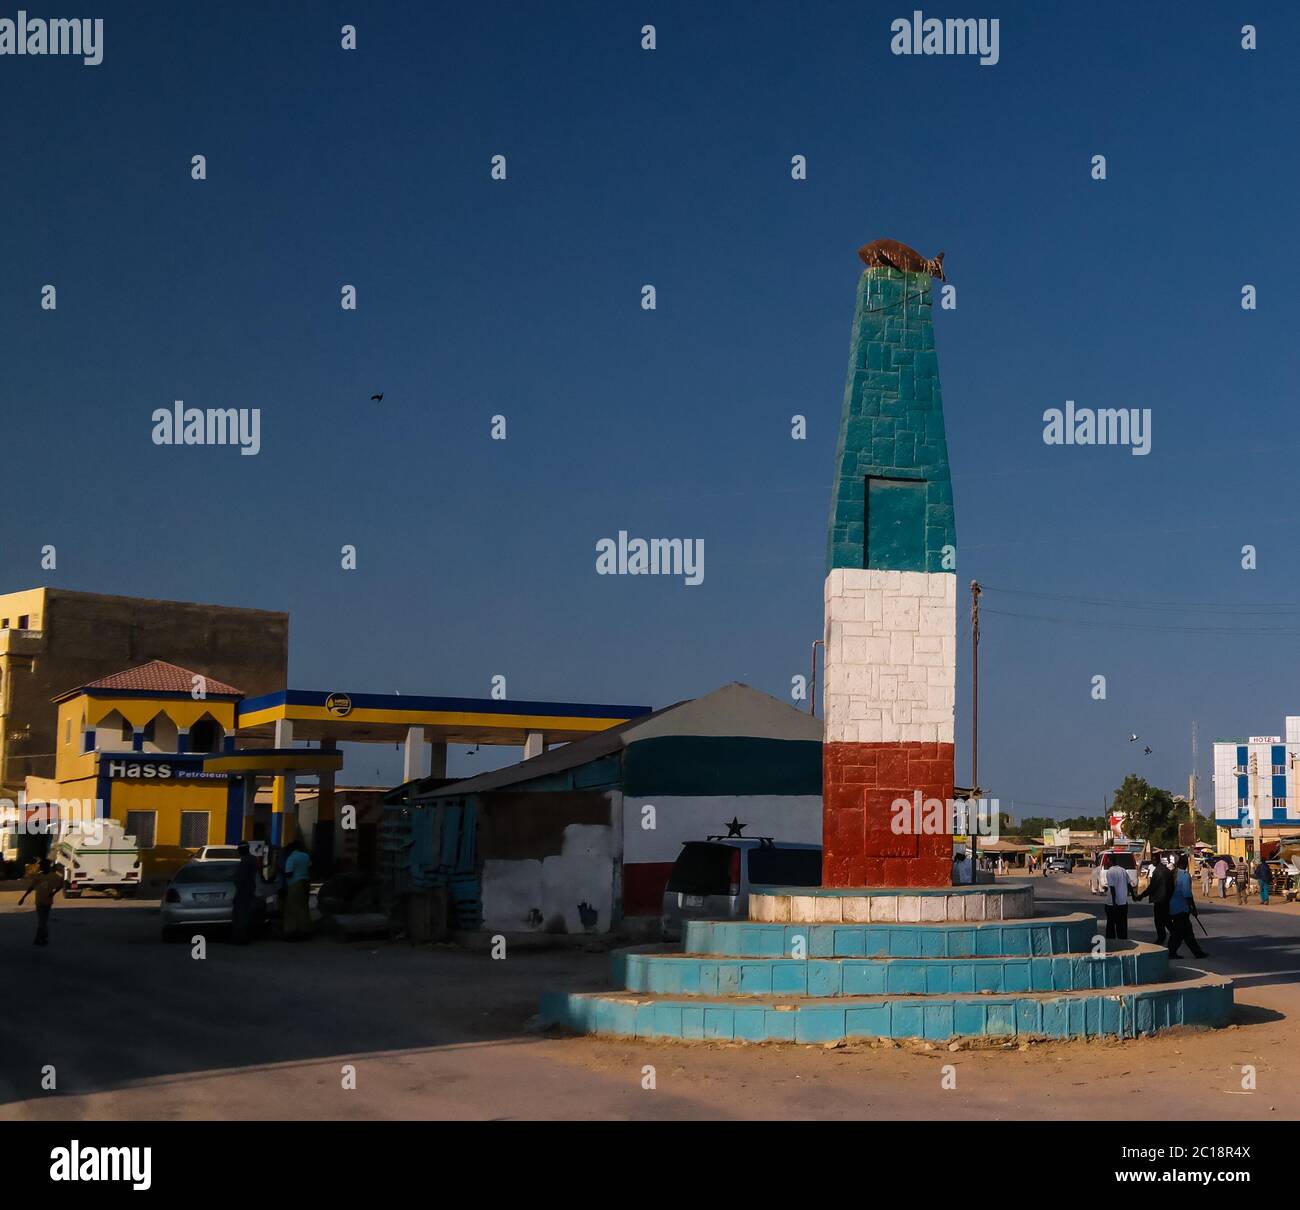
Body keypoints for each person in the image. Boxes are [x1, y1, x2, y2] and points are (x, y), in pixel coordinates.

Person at [1167, 854, 1208, 959]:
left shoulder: (1174, 874)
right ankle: (1172, 952)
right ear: (1185, 864)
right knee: (1180, 933)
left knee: (1186, 933)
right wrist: (1193, 908)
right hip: (1181, 908)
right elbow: (1187, 895)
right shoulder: (1185, 875)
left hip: (1173, 907)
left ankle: (1197, 952)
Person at [18, 858, 66, 946]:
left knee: (43, 921)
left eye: (42, 866)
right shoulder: (39, 876)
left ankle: (42, 938)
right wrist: (23, 898)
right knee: (42, 921)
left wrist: (53, 893)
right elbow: (31, 887)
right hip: (39, 901)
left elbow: (61, 884)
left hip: (48, 902)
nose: (40, 868)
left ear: (47, 866)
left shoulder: (53, 876)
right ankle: (40, 939)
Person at [1134, 855, 1173, 945]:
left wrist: (1141, 896)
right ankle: (1171, 934)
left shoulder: (1158, 872)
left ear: (1158, 860)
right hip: (1166, 899)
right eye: (1152, 860)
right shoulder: (1165, 870)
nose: (1153, 862)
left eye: (1154, 860)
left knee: (1159, 921)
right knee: (1166, 919)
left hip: (1160, 899)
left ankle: (1162, 937)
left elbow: (1152, 887)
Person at [229, 841, 259, 945]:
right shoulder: (252, 859)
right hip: (247, 890)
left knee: (240, 915)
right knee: (242, 914)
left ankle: (240, 938)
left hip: (244, 891)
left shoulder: (246, 861)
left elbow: (241, 878)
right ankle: (241, 937)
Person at [281, 840, 312, 940]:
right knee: (304, 907)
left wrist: (282, 874)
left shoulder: (291, 858)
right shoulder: (305, 856)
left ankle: (292, 931)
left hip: (295, 884)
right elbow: (310, 868)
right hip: (305, 882)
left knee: (291, 908)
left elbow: (289, 873)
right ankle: (306, 930)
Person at [1103, 860, 1132, 940]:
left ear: (1111, 862)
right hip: (1123, 903)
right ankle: (1123, 943)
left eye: (1107, 861)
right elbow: (1129, 884)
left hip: (1112, 904)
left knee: (1111, 925)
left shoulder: (1110, 872)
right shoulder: (1123, 870)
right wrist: (1134, 896)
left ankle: (1111, 944)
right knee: (1122, 925)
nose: (1106, 863)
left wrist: (1114, 902)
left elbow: (1112, 888)